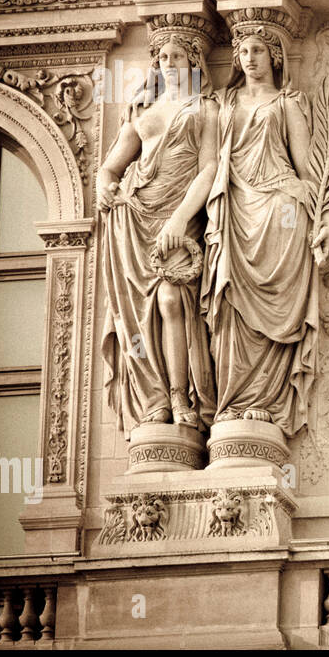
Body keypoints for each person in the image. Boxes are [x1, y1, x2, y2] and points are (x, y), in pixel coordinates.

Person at [202, 19, 329, 435]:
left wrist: (325, 214)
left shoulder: (287, 103)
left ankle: (264, 398)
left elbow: (306, 168)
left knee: (277, 302)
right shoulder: (223, 104)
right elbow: (205, 161)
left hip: (281, 204)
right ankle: (234, 398)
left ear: (274, 55)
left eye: (258, 50)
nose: (249, 58)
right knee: (229, 304)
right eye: (243, 52)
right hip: (233, 210)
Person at [99, 21, 218, 435]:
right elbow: (112, 166)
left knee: (171, 301)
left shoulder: (206, 109)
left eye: (177, 57)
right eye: (163, 57)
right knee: (138, 312)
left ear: (193, 61)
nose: (169, 64)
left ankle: (182, 395)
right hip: (135, 216)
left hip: (178, 216)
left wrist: (182, 218)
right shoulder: (143, 111)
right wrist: (104, 188)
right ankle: (157, 397)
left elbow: (209, 169)